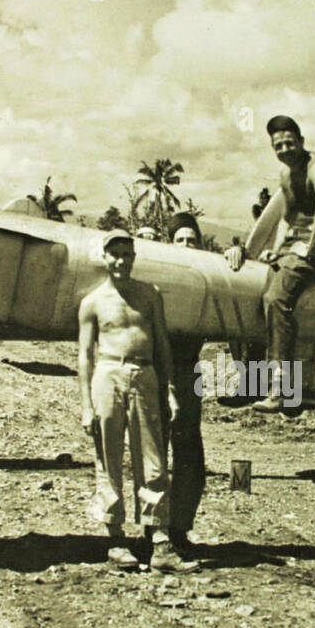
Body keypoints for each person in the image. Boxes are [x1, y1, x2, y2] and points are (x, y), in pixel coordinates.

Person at [78, 230, 194, 572]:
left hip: (145, 376)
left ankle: (160, 544)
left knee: (153, 459)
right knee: (109, 458)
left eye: (127, 254)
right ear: (104, 257)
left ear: (134, 257)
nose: (121, 261)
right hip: (108, 375)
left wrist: (169, 388)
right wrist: (86, 404)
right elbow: (85, 354)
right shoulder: (93, 302)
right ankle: (115, 541)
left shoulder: (149, 295)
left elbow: (161, 343)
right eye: (114, 254)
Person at [223, 115, 315, 414]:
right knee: (254, 295)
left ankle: (280, 389)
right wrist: (275, 250)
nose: (284, 149)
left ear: (301, 140)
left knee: (276, 299)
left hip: (311, 252)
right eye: (278, 145)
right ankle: (252, 382)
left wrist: (310, 250)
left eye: (289, 142)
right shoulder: (286, 174)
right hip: (288, 250)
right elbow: (286, 218)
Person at [165, 212, 207, 553]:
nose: (186, 246)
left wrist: (239, 255)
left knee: (190, 455)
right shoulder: (160, 278)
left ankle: (179, 529)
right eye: (179, 240)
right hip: (156, 372)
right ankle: (155, 532)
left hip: (189, 373)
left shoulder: (205, 277)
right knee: (150, 455)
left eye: (192, 240)